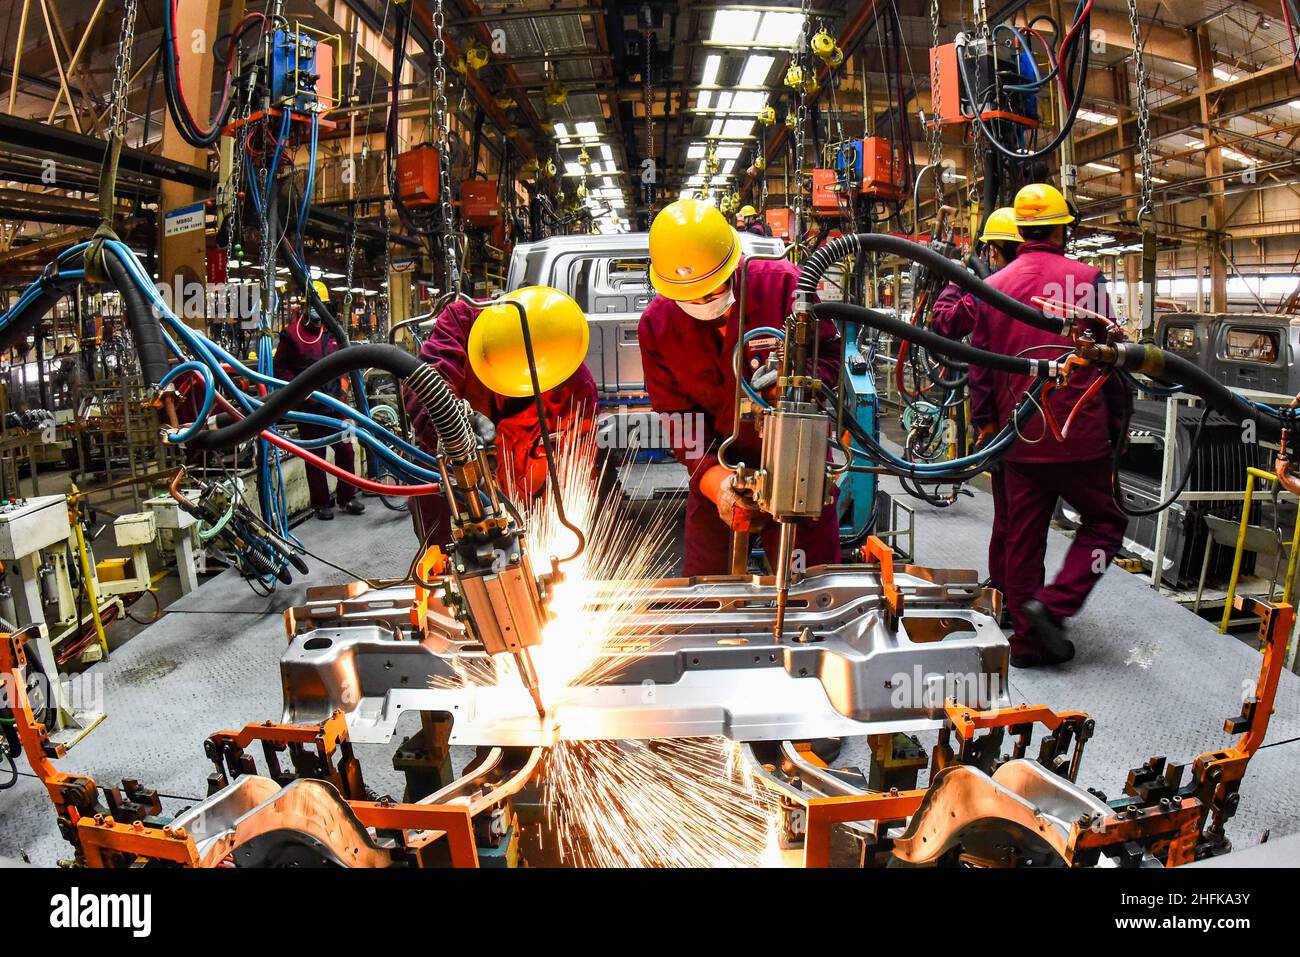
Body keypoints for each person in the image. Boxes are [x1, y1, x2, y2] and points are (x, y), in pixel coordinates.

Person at [966, 183, 1129, 668]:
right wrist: (1115, 427)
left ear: (1020, 228)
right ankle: (1054, 606)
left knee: (1023, 537)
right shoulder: (1088, 279)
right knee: (1105, 524)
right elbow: (1114, 358)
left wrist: (988, 425)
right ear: (1062, 228)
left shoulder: (992, 288)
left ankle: (1027, 644)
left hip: (1021, 436)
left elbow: (978, 366)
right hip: (1080, 437)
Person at [639, 198, 842, 577]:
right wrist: (718, 484)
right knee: (706, 587)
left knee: (814, 586)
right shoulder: (658, 327)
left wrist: (793, 386)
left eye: (714, 290)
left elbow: (830, 356)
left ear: (732, 264)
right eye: (691, 297)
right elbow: (680, 420)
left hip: (799, 457)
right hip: (722, 462)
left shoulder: (784, 285)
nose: (704, 302)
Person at [404, 286, 598, 546]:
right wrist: (455, 432)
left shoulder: (576, 385)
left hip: (524, 513)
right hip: (449, 498)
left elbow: (575, 473)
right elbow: (424, 387)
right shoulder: (462, 323)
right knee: (451, 573)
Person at [928, 207, 1023, 607]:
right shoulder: (1059, 285)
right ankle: (1016, 595)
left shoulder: (992, 289)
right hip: (1052, 423)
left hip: (1007, 423)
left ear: (995, 251)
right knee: (1023, 519)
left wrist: (954, 283)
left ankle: (1010, 596)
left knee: (1010, 517)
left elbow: (945, 323)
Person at [273, 302, 365, 520]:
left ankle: (347, 497)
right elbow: (280, 369)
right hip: (310, 408)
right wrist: (302, 392)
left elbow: (345, 361)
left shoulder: (331, 330)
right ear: (307, 306)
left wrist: (344, 385)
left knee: (346, 450)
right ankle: (321, 503)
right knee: (316, 456)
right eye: (317, 306)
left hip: (337, 406)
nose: (319, 312)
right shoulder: (291, 335)